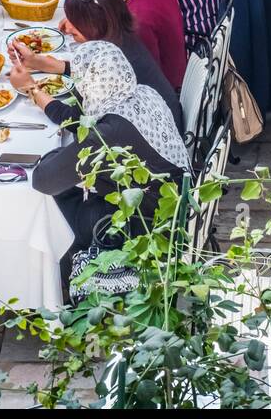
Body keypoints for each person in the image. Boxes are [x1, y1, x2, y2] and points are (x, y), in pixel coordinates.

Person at [26, 40, 189, 288]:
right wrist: (37, 93)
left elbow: (43, 180)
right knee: (73, 183)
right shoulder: (141, 92)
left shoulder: (110, 133)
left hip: (148, 230)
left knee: (56, 201)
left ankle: (61, 282)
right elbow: (82, 121)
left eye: (82, 85)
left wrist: (55, 156)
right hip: (172, 204)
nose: (80, 91)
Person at [6, 0, 183, 130]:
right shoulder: (120, 35)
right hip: (166, 118)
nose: (67, 28)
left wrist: (31, 89)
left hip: (154, 146)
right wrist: (39, 62)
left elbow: (74, 121)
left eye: (75, 22)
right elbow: (87, 72)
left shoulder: (111, 62)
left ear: (95, 26)